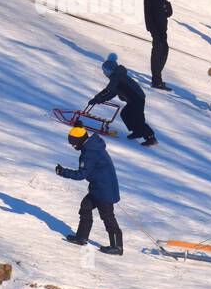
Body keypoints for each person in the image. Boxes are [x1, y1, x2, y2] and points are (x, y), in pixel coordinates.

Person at [57, 126, 123, 254]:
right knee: (85, 207)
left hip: (104, 190)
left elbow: (81, 175)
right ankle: (81, 237)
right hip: (97, 188)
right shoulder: (92, 145)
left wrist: (62, 172)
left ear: (80, 141)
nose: (73, 146)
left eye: (73, 144)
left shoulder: (90, 153)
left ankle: (117, 246)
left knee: (108, 217)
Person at [89, 54, 156, 146]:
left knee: (138, 118)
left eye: (104, 71)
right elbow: (112, 92)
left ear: (108, 71)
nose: (104, 73)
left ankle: (150, 138)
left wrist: (96, 99)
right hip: (134, 99)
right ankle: (137, 132)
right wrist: (99, 99)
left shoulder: (116, 78)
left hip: (137, 99)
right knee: (126, 114)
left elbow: (108, 91)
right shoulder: (118, 76)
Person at [143, 0, 173, 90]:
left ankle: (157, 78)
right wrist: (167, 11)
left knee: (162, 51)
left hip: (156, 26)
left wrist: (167, 7)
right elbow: (158, 11)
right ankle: (156, 80)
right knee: (160, 52)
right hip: (158, 27)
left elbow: (160, 7)